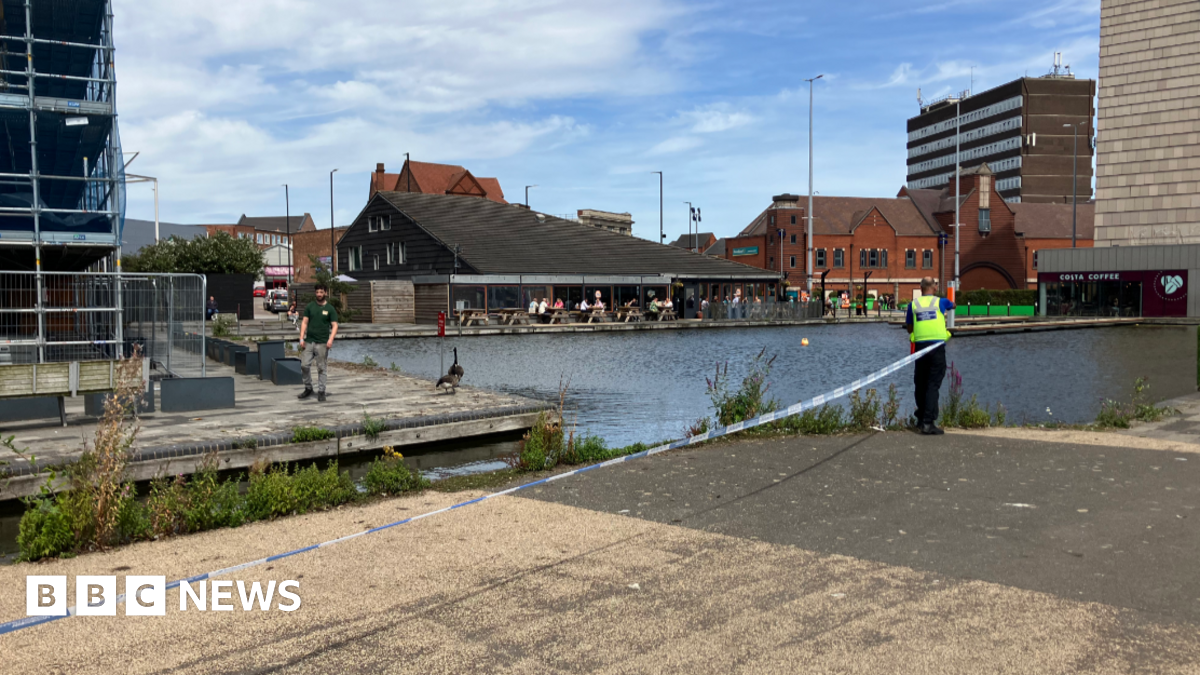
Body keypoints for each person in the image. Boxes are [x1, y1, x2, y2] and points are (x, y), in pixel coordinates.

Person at [904, 277, 954, 435]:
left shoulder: (913, 305)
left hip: (920, 348)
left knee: (921, 383)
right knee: (933, 384)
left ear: (920, 288)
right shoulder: (941, 302)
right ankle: (928, 423)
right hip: (936, 348)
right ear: (934, 287)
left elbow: (909, 328)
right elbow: (953, 305)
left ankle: (920, 419)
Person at [298, 283, 339, 403]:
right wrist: (301, 338)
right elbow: (304, 322)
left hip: (322, 342)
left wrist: (331, 339)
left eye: (321, 292)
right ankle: (308, 387)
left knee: (321, 367)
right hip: (309, 340)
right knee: (304, 365)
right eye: (317, 292)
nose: (319, 294)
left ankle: (321, 391)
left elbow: (335, 325)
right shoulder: (310, 307)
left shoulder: (330, 309)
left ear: (325, 293)